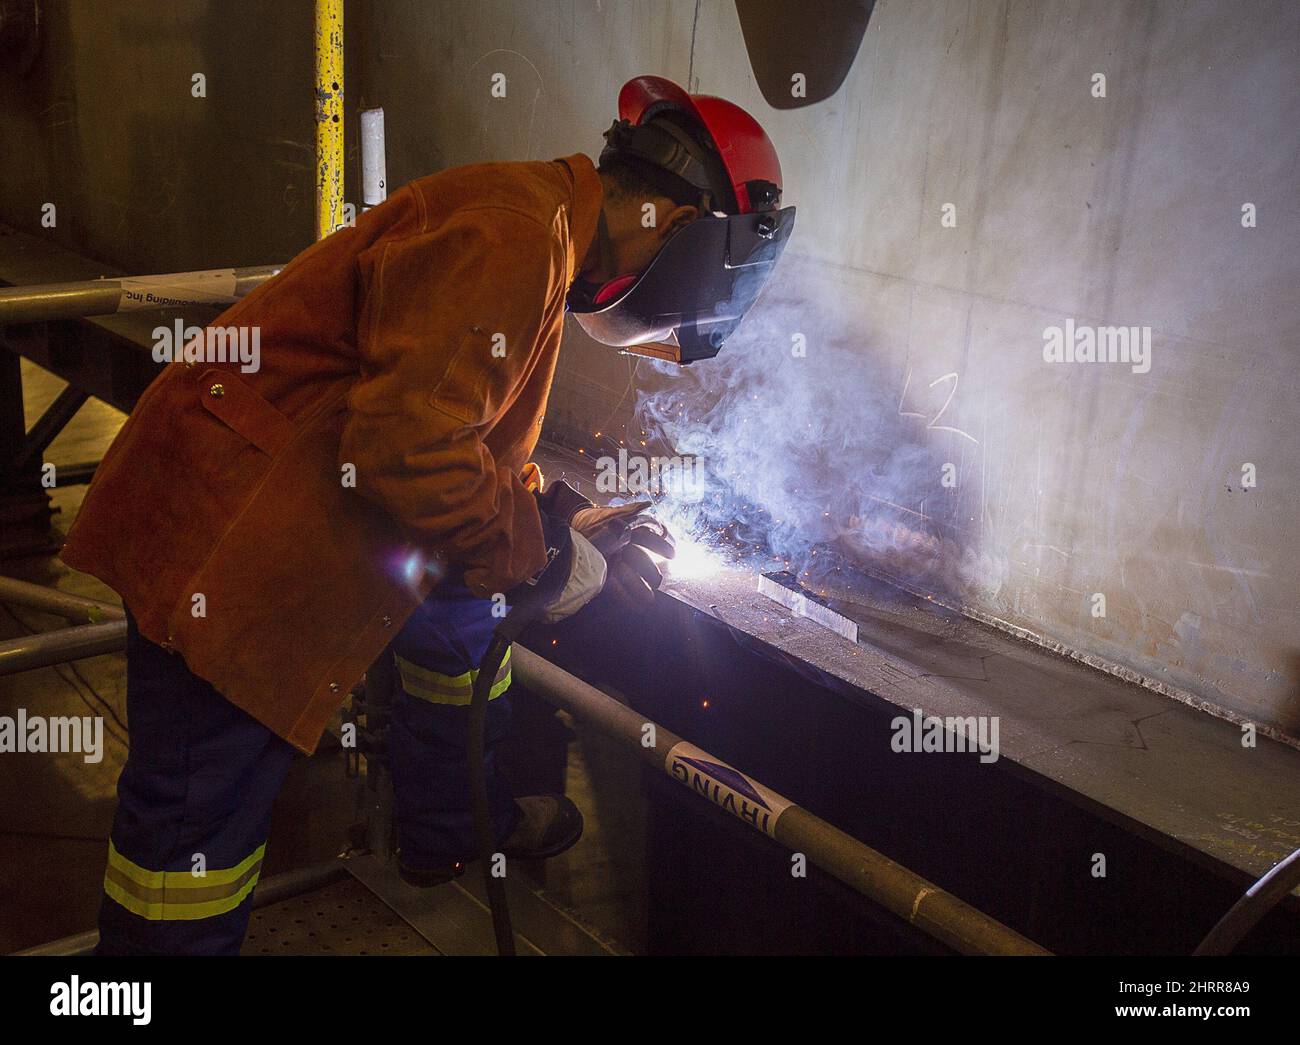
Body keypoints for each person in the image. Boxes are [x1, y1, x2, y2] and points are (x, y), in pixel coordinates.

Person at [60, 74, 794, 954]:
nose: (657, 341)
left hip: (264, 516)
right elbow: (406, 450)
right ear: (673, 230)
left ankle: (445, 826)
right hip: (226, 541)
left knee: (219, 816)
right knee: (188, 850)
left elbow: (464, 439)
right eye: (671, 323)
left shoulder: (543, 231)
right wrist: (541, 560)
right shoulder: (512, 240)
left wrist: (564, 519)